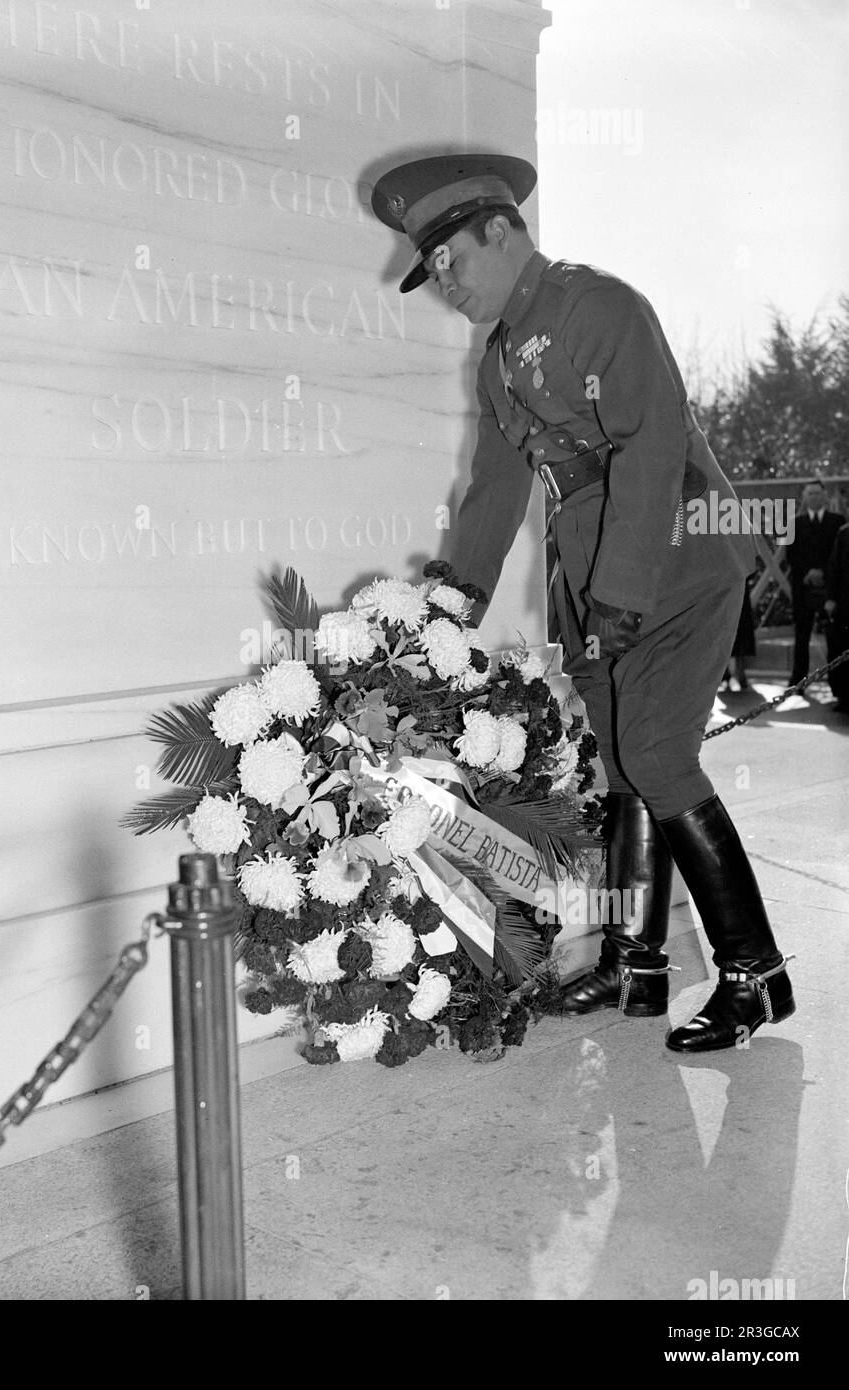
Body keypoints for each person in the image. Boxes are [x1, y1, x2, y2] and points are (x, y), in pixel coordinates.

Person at [371, 153, 795, 1052]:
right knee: (621, 767)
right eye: (431, 271)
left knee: (658, 756)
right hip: (597, 585)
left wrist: (620, 595)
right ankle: (633, 964)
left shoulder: (598, 307)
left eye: (450, 257)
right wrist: (452, 611)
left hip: (669, 566)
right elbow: (492, 491)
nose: (443, 282)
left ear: (501, 229)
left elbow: (650, 448)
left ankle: (754, 976)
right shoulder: (495, 366)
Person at [785, 480, 843, 686]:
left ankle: (837, 685)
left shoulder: (837, 521)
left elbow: (839, 556)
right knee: (801, 636)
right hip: (803, 586)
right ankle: (797, 682)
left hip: (830, 588)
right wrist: (808, 572)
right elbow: (790, 555)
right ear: (804, 496)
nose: (814, 497)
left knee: (834, 638)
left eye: (818, 493)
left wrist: (823, 573)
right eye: (810, 493)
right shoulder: (794, 523)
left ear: (825, 495)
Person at [824, 519, 849, 711]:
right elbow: (834, 567)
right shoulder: (844, 533)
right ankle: (843, 696)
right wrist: (830, 598)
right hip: (845, 602)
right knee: (840, 650)